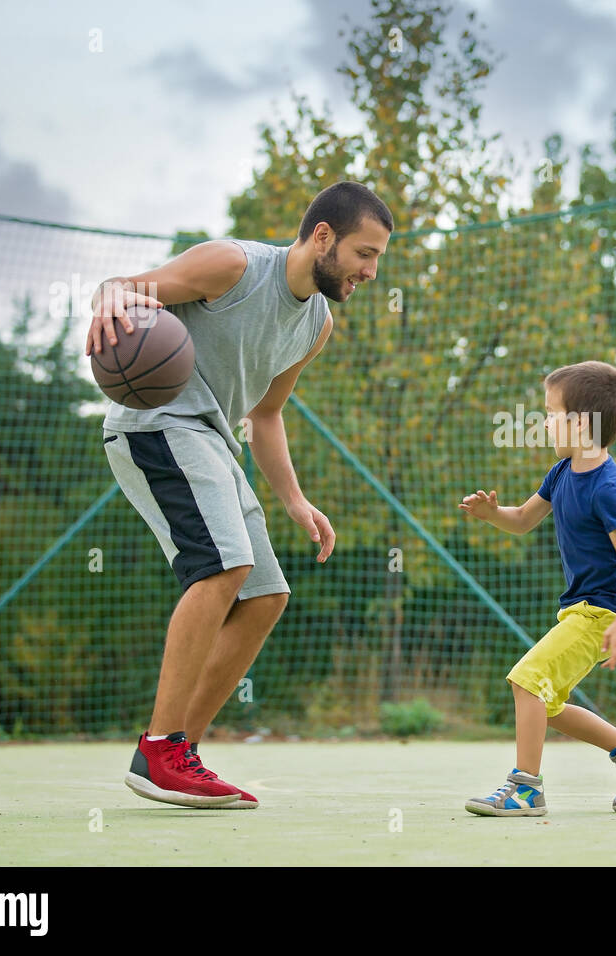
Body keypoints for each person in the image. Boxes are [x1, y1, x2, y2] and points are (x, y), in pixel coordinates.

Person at [86, 182, 392, 808]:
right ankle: (160, 748)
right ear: (323, 237)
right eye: (366, 253)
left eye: (378, 259)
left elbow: (269, 414)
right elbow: (119, 287)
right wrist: (104, 304)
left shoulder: (317, 324)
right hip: (159, 423)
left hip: (214, 441)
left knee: (264, 596)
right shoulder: (232, 266)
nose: (371, 271)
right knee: (226, 565)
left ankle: (178, 755)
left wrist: (296, 502)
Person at [459, 360, 616, 816]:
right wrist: (494, 515)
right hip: (579, 611)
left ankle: (525, 789)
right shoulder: (562, 471)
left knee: (526, 681)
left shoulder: (609, 488)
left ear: (581, 423)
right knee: (544, 701)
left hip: (602, 614)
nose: (543, 421)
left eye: (550, 412)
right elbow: (523, 520)